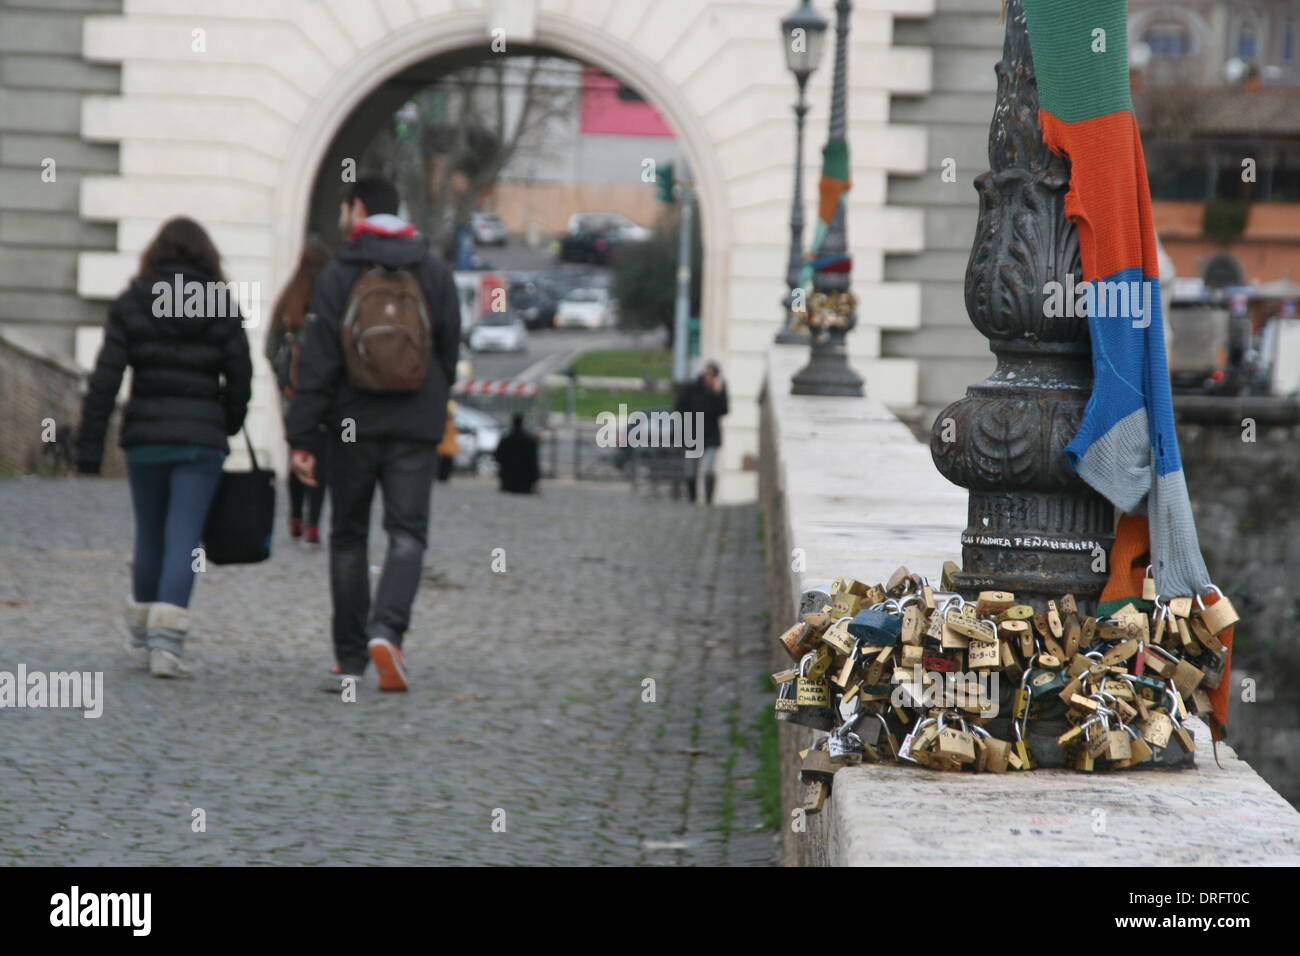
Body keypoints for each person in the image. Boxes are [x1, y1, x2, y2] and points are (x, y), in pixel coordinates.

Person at [286, 175, 461, 693]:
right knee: (407, 535)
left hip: (350, 427)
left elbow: (317, 364)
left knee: (348, 537)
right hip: (415, 427)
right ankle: (389, 631)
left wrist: (303, 437)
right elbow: (449, 350)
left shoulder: (339, 275)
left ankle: (349, 658)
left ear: (358, 209)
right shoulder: (434, 271)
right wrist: (429, 400)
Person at [75, 217, 252, 678]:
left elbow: (106, 378)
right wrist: (229, 422)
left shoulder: (134, 301)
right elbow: (241, 375)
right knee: (184, 538)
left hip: (146, 440)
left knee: (149, 534)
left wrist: (89, 446)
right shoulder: (220, 304)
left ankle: (139, 638)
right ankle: (167, 648)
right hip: (200, 443)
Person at [265, 238, 331, 544]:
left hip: (291, 392)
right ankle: (314, 524)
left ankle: (294, 515)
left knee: (298, 450)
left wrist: (282, 378)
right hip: (323, 392)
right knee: (320, 453)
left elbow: (268, 348)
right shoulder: (330, 299)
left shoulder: (288, 299)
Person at [680, 361, 728, 505]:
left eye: (713, 376)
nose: (710, 378)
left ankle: (708, 501)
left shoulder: (718, 390)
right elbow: (680, 408)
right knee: (691, 470)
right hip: (693, 434)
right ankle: (692, 499)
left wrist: (717, 394)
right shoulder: (692, 389)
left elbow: (723, 410)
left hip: (711, 435)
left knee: (708, 468)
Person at [493, 413, 540, 494]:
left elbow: (498, 456)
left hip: (508, 480)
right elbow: (533, 461)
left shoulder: (506, 439)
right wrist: (535, 480)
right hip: (525, 482)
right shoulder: (529, 440)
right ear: (522, 423)